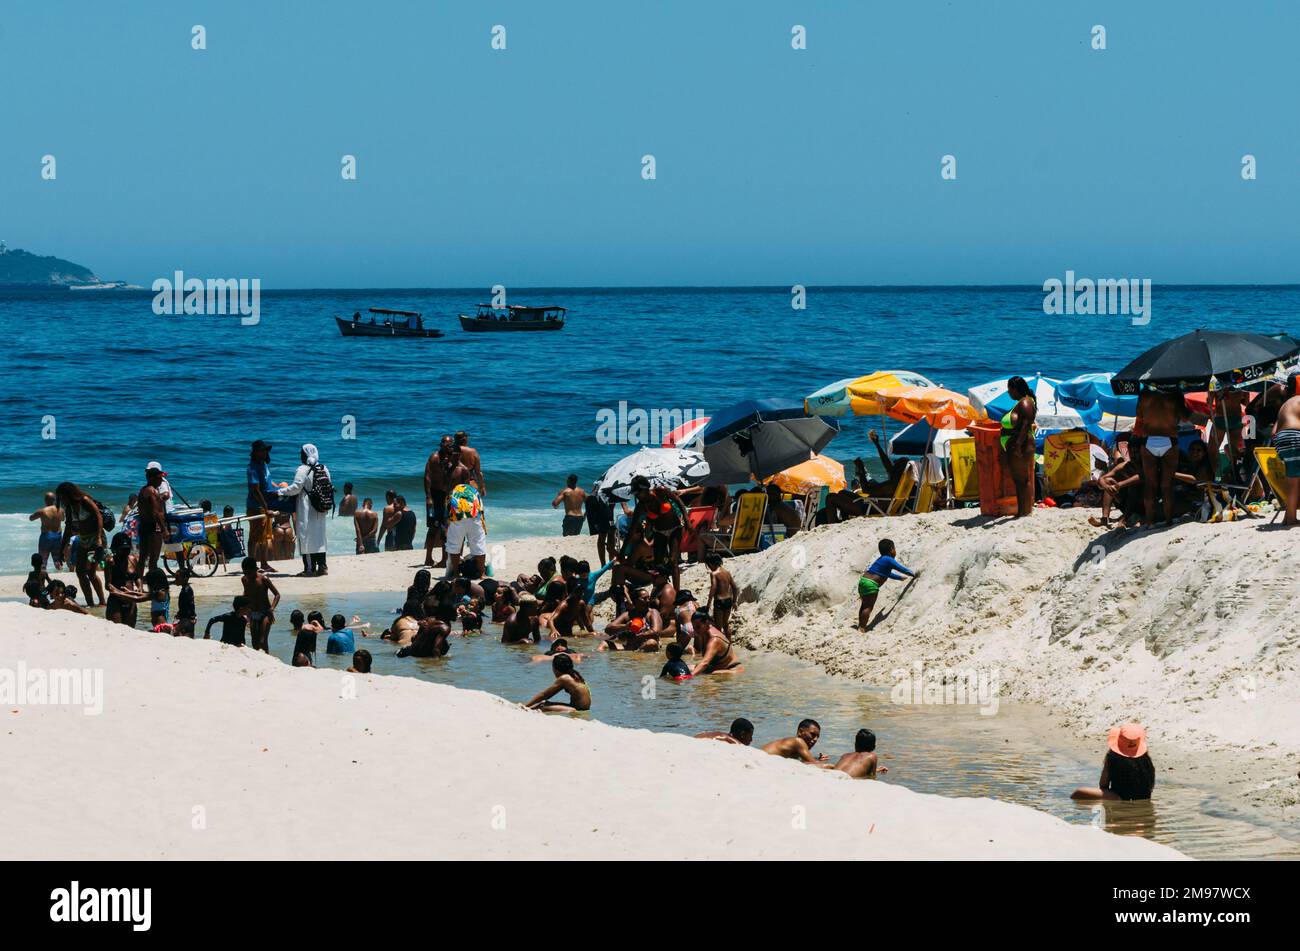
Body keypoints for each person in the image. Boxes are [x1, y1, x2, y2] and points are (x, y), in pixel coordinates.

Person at [1135, 386, 1187, 527]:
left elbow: (1139, 416)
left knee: (1150, 485)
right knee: (1166, 485)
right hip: (1169, 439)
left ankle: (1150, 522)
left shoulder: (1144, 393)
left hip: (1148, 440)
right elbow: (1185, 417)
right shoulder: (1175, 392)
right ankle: (1168, 521)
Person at [277, 444, 332, 576]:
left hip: (307, 507)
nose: (300, 456)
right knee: (319, 537)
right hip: (320, 507)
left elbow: (295, 488)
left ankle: (310, 568)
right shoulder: (324, 468)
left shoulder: (302, 469)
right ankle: (322, 566)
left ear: (306, 454)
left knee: (305, 536)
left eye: (301, 453)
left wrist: (280, 491)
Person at [1071, 723, 1155, 801]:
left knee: (1077, 793)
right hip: (1143, 797)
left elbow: (1103, 785)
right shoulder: (1146, 760)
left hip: (1119, 797)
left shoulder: (1113, 758)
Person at [55, 482, 107, 606]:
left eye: (62, 497)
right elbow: (68, 529)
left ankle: (102, 601)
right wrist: (61, 548)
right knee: (80, 572)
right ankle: (90, 602)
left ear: (69, 494)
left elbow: (98, 517)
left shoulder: (84, 500)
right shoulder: (69, 507)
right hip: (83, 539)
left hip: (96, 537)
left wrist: (99, 538)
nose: (61, 500)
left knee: (91, 572)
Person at [858, 538, 916, 631]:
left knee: (864, 605)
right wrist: (912, 573)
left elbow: (886, 574)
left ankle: (861, 625)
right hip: (871, 584)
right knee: (869, 607)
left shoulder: (881, 560)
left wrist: (899, 578)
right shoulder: (889, 559)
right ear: (892, 549)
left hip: (863, 581)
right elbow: (900, 568)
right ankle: (862, 628)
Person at [1000, 376, 1038, 517]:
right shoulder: (1023, 402)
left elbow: (1026, 424)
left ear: (1015, 389)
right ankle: (1022, 510)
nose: (1008, 393)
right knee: (1019, 479)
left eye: (1009, 389)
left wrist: (1017, 445)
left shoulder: (1026, 402)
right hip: (1017, 444)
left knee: (1023, 479)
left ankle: (1025, 511)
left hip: (1020, 445)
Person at [423, 435, 459, 567]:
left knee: (446, 527)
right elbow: (427, 477)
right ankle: (428, 558)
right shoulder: (434, 457)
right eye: (446, 444)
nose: (449, 446)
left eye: (451, 444)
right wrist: (429, 497)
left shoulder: (452, 457)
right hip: (435, 495)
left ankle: (444, 559)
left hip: (448, 495)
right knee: (433, 527)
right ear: (441, 444)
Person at [245, 439, 279, 572]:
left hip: (266, 504)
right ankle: (251, 564)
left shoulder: (263, 465)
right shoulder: (252, 467)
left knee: (265, 536)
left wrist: (276, 488)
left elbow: (267, 482)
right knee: (254, 537)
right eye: (263, 451)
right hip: (256, 506)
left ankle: (264, 563)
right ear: (257, 452)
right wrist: (265, 507)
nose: (265, 453)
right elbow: (255, 490)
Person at [1270, 373, 1300, 525]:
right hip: (1295, 436)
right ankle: (1291, 518)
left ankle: (1288, 516)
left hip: (1282, 441)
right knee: (1294, 481)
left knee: (1293, 479)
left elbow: (1274, 432)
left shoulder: (1286, 404)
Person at [444, 480, 487, 579]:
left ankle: (456, 574)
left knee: (454, 546)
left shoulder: (453, 491)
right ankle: (482, 574)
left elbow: (448, 510)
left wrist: (447, 527)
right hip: (474, 516)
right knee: (479, 544)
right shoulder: (474, 490)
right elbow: (481, 509)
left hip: (457, 517)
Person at [522, 652, 590, 713]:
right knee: (544, 703)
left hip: (577, 711)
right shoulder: (575, 675)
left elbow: (544, 695)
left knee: (542, 707)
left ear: (555, 668)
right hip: (582, 709)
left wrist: (526, 706)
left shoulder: (564, 678)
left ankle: (525, 710)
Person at [239, 556, 279, 652]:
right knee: (255, 643)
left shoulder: (264, 579)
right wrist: (243, 608)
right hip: (253, 613)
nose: (247, 575)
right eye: (245, 572)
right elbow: (247, 593)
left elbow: (277, 595)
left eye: (249, 573)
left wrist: (272, 608)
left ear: (255, 569)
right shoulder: (244, 580)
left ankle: (269, 660)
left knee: (262, 641)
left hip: (266, 612)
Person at [137, 462, 169, 574]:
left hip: (144, 526)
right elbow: (156, 513)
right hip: (153, 528)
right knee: (154, 557)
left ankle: (139, 580)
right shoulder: (153, 491)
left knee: (143, 556)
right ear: (153, 478)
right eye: (160, 478)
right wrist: (164, 529)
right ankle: (152, 581)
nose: (161, 481)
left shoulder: (143, 490)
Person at [689, 609, 742, 674]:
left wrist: (689, 677)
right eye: (693, 627)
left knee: (707, 676)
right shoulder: (703, 633)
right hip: (719, 668)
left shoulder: (714, 640)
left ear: (707, 622)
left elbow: (705, 663)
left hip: (733, 670)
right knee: (687, 668)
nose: (695, 630)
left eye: (698, 627)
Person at [761, 719, 833, 766]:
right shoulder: (798, 742)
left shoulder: (793, 744)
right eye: (812, 734)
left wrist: (818, 759)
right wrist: (823, 763)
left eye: (817, 737)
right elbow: (815, 765)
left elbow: (806, 762)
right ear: (800, 732)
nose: (815, 739)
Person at [704, 553, 736, 637]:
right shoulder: (727, 573)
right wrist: (734, 601)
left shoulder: (714, 574)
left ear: (711, 563)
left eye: (708, 565)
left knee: (718, 627)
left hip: (719, 601)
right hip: (728, 600)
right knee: (725, 624)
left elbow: (713, 588)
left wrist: (708, 603)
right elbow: (734, 587)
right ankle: (729, 645)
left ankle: (719, 646)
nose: (709, 568)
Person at [29, 492, 63, 570]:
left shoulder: (42, 511)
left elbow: (31, 518)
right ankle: (60, 573)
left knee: (43, 561)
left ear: (45, 500)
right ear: (54, 500)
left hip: (46, 536)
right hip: (58, 536)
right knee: (57, 560)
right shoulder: (61, 510)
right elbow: (63, 519)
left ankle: (42, 575)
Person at [585, 484, 616, 566]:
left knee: (606, 535)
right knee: (608, 534)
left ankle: (606, 562)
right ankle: (608, 562)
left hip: (606, 515)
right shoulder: (608, 484)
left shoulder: (600, 484)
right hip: (605, 514)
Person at [174, 568, 196, 637]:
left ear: (185, 578)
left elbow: (191, 604)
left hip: (187, 619)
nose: (175, 580)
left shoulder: (186, 591)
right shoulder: (185, 589)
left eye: (177, 577)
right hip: (185, 617)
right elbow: (185, 605)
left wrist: (192, 617)